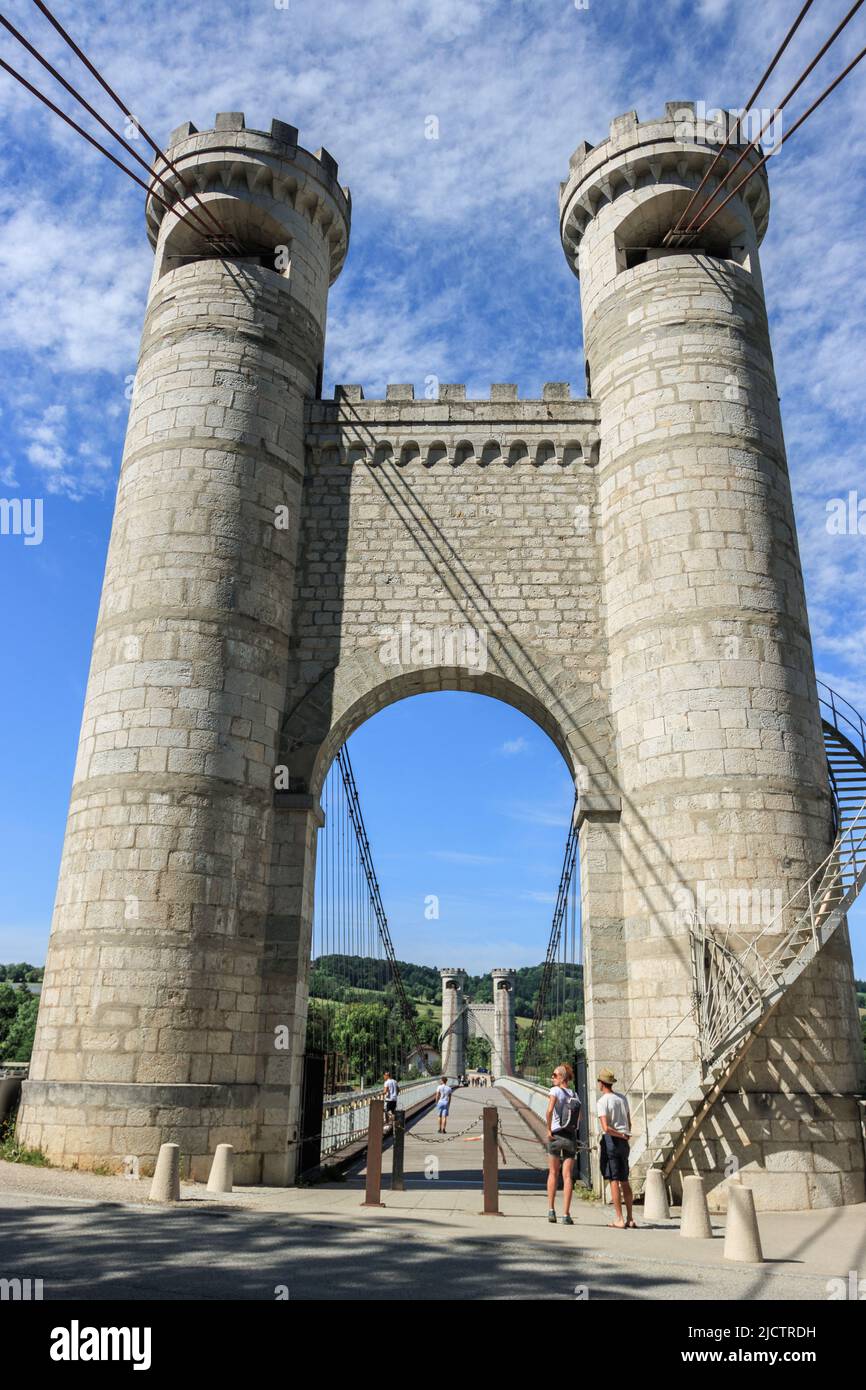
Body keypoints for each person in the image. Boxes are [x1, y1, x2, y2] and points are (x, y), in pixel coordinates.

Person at [596, 1067, 635, 1229]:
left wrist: (619, 1135)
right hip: (624, 1143)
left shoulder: (603, 1101)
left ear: (601, 1083)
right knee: (625, 1179)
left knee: (613, 1180)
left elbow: (605, 1127)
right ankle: (630, 1218)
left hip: (612, 1141)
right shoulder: (622, 1099)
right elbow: (629, 1122)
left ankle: (619, 1218)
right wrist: (625, 1135)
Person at [546, 1062, 581, 1226]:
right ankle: (566, 1214)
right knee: (567, 1176)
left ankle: (551, 1211)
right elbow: (579, 1118)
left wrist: (548, 1129)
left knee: (553, 1173)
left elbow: (549, 1110)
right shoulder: (574, 1094)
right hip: (570, 1136)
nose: (552, 1078)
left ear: (562, 1077)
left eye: (554, 1075)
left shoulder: (555, 1090)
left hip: (555, 1135)